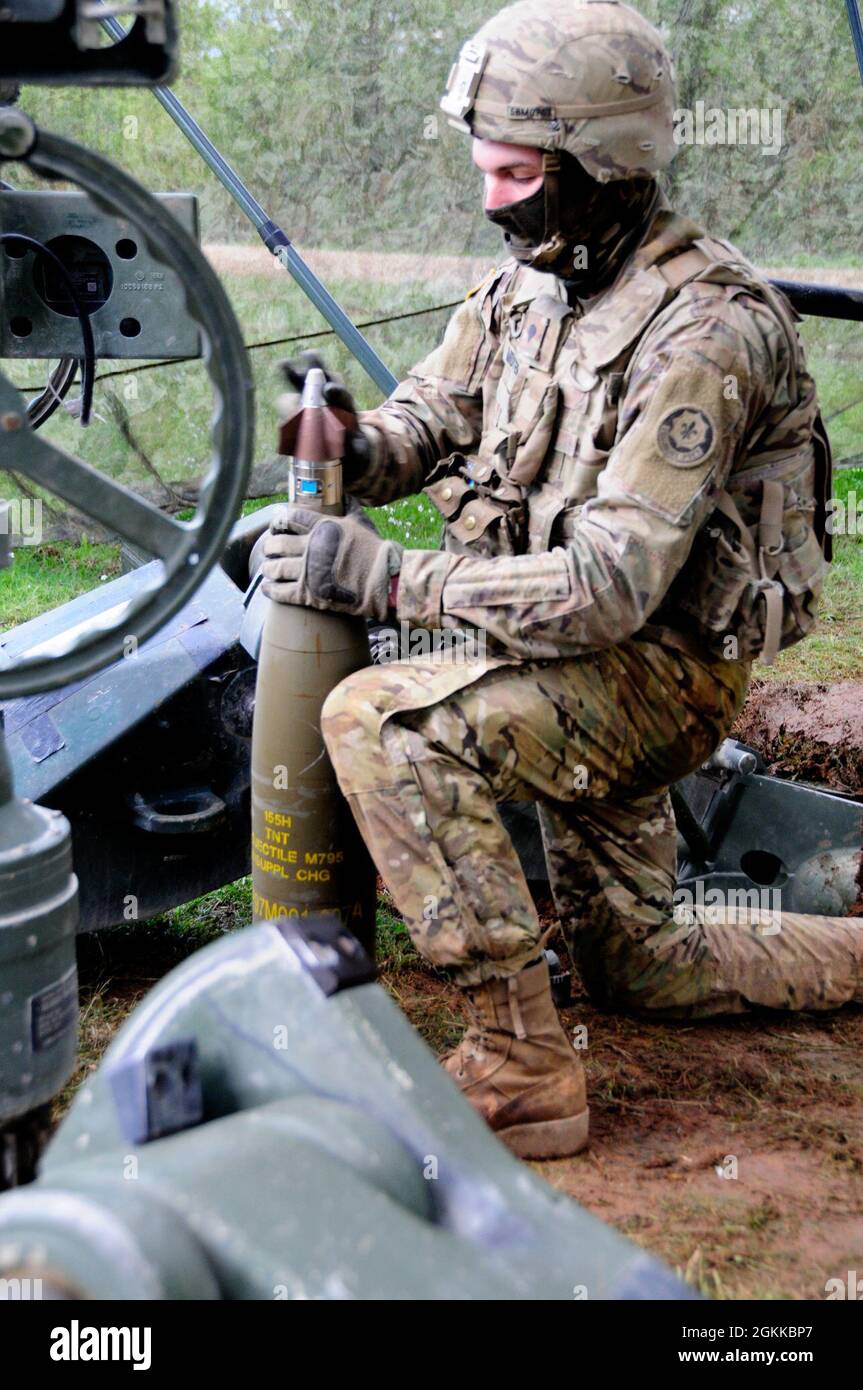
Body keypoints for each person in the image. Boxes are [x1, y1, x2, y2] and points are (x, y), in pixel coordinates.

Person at [259, 0, 860, 1160]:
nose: (488, 196)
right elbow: (434, 411)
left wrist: (389, 581)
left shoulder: (705, 332)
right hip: (561, 661)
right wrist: (354, 443)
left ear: (596, 162)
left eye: (513, 171)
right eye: (482, 166)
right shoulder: (533, 279)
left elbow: (608, 588)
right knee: (633, 963)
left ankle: (518, 1071)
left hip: (653, 676)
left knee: (387, 724)